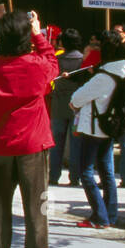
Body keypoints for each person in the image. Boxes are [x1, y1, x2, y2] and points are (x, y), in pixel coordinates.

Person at [0, 10, 58, 248]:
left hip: (0, 145)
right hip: (34, 146)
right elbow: (52, 61)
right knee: (37, 212)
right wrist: (38, 32)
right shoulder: (37, 65)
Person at [70, 31, 125, 228]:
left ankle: (100, 216)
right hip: (109, 126)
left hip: (94, 127)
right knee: (107, 172)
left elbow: (77, 98)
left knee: (86, 172)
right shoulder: (124, 72)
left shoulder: (104, 77)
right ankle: (110, 214)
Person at [48, 29, 83, 187]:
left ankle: (53, 175)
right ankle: (75, 177)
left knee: (56, 142)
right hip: (77, 106)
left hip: (58, 104)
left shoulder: (57, 59)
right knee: (76, 143)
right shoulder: (83, 60)